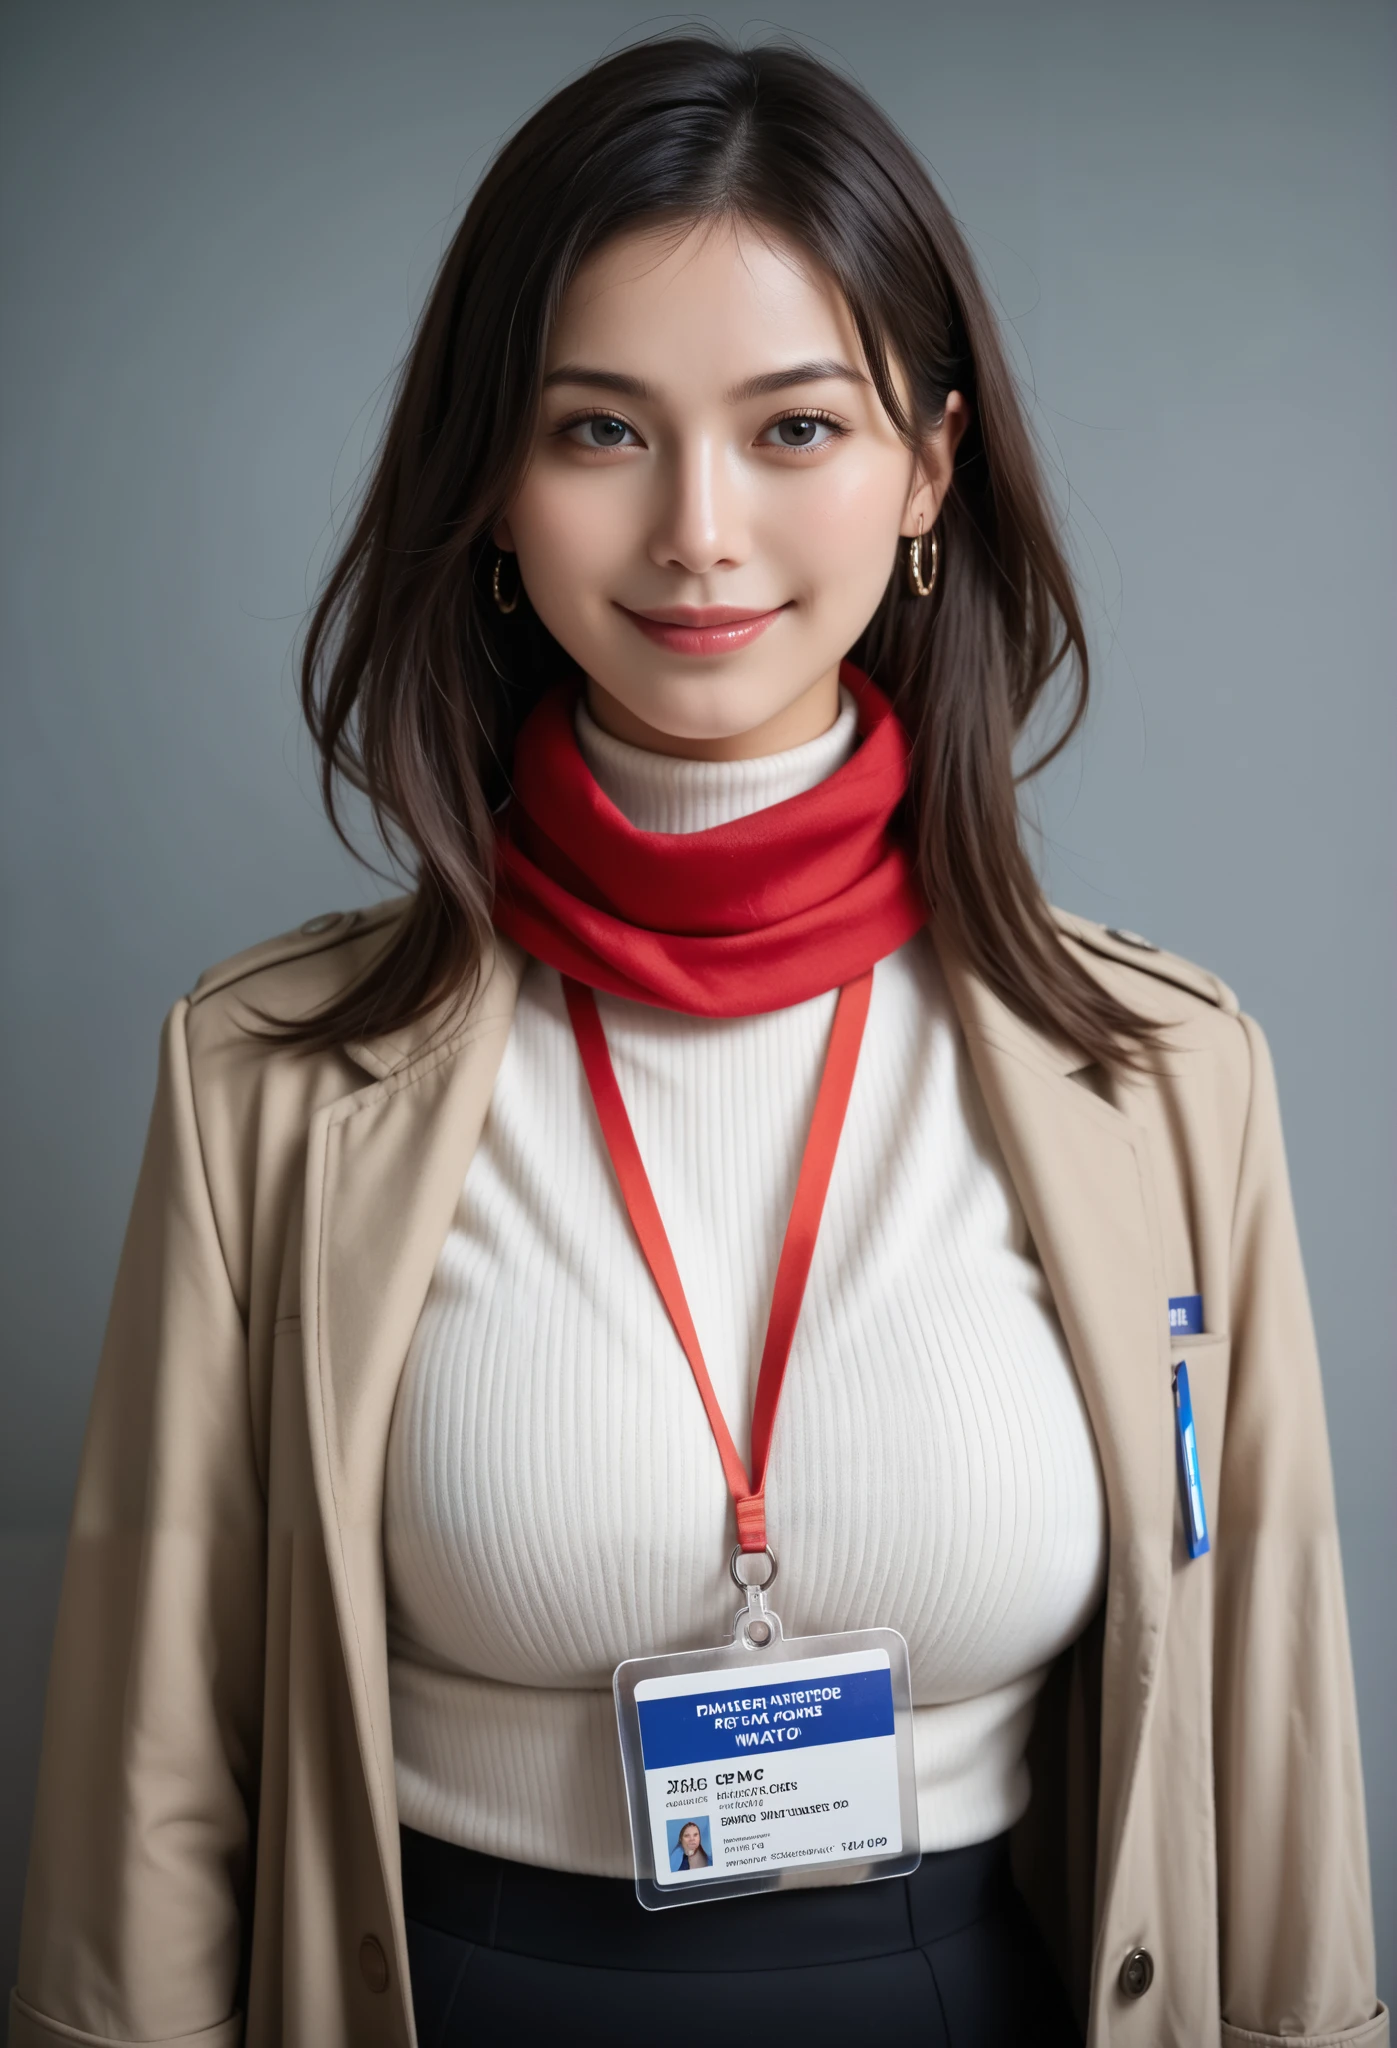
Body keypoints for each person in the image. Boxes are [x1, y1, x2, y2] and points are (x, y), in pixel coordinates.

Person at [10, 32, 1385, 2048]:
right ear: (489, 480)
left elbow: (1265, 1736)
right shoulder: (265, 1082)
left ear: (927, 466)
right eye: (597, 430)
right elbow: (150, 1774)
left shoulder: (1163, 1079)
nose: (698, 533)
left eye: (794, 428)